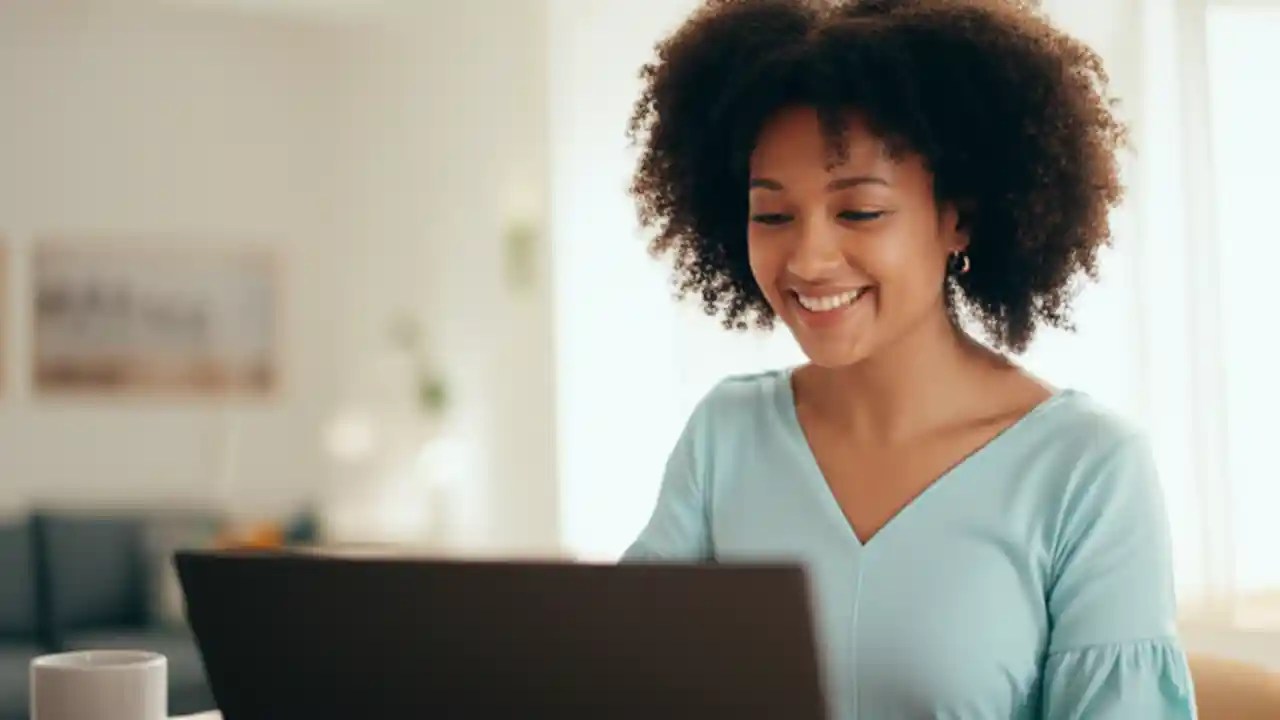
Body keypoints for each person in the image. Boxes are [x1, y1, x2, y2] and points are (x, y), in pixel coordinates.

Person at [621, 0, 1198, 717]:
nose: (807, 258)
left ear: (956, 216)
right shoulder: (725, 437)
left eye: (858, 211)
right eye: (772, 215)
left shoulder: (1088, 470)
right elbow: (624, 678)